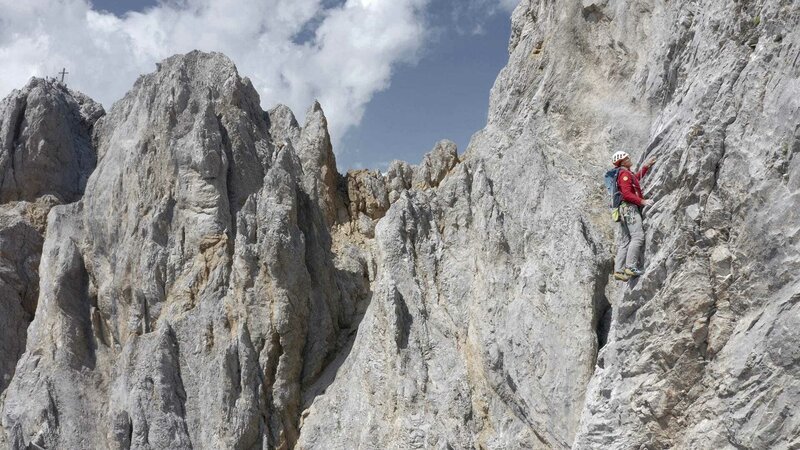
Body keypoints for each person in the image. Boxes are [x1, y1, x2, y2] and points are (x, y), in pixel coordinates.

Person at [611, 151, 656, 281]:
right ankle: (630, 267)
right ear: (622, 161)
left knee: (625, 241)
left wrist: (646, 167)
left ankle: (619, 271)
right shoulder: (624, 174)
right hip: (630, 209)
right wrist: (643, 201)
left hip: (623, 211)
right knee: (637, 237)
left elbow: (635, 180)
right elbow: (626, 193)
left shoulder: (623, 174)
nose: (630, 159)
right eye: (627, 158)